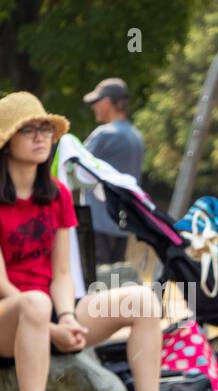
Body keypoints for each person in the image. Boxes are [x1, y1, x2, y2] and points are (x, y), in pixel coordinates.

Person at [0, 92, 197, 391]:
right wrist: (54, 329)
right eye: (29, 131)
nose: (41, 137)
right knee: (34, 303)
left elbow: (63, 273)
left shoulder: (56, 196)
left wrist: (67, 317)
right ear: (5, 142)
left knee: (144, 300)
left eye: (45, 129)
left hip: (49, 310)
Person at [81, 78, 144, 266]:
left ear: (107, 102)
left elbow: (73, 166)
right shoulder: (136, 136)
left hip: (98, 222)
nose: (94, 108)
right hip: (124, 223)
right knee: (116, 279)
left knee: (95, 280)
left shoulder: (104, 134)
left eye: (96, 103)